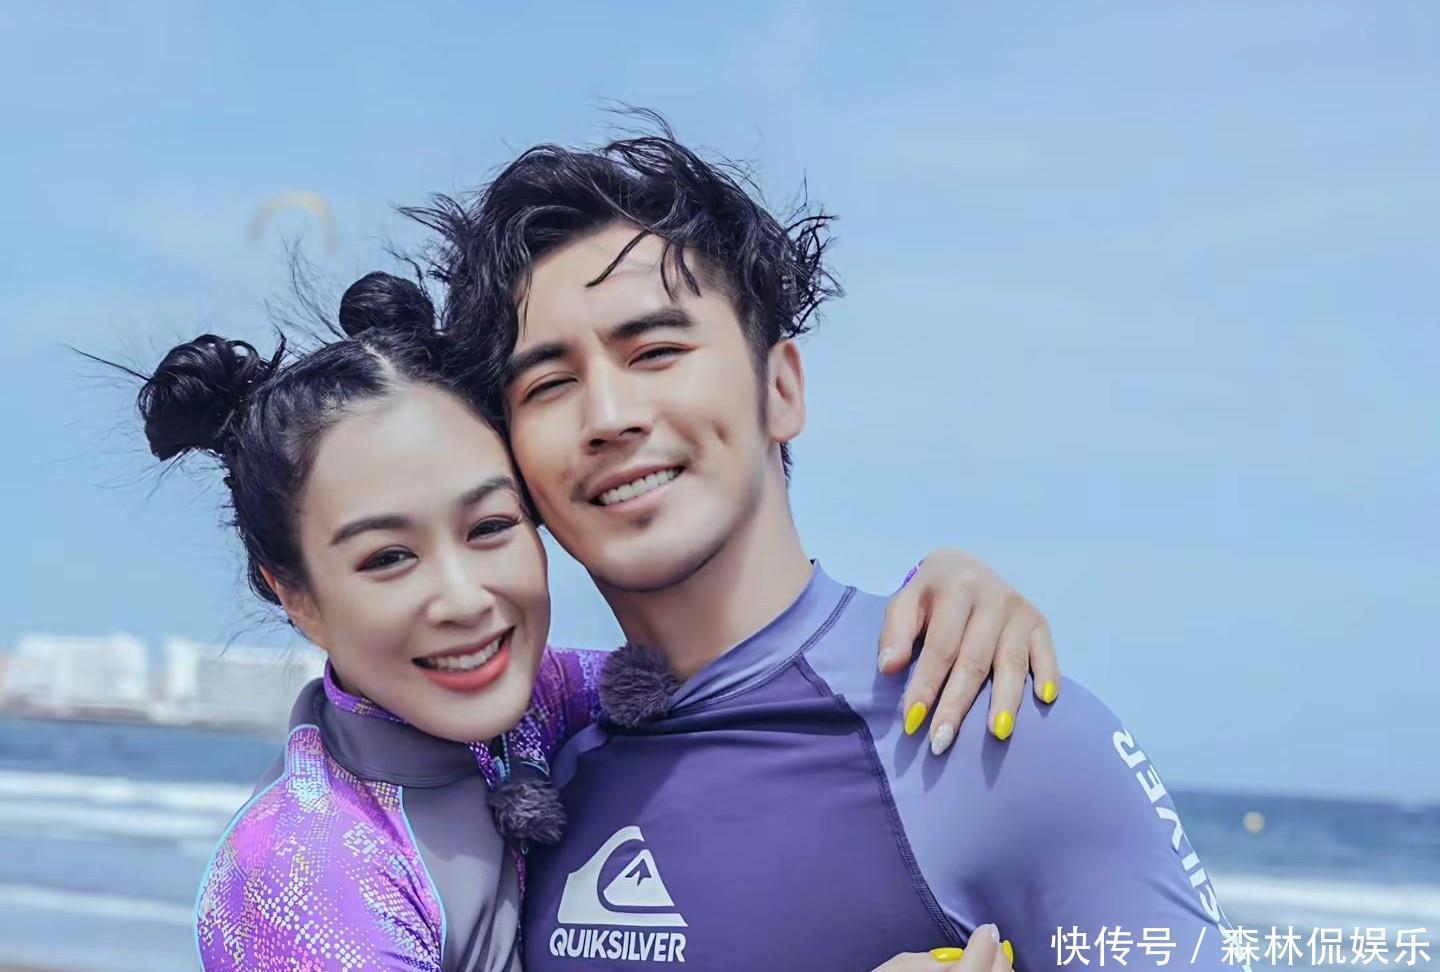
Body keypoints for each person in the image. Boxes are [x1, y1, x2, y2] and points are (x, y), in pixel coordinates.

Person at [416, 122, 1242, 970]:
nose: (609, 417)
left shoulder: (994, 731)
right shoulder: (537, 776)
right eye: (550, 384)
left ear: (781, 388)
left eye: (656, 351)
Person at [154, 272, 1057, 970]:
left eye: (491, 528)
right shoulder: (297, 872)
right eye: (388, 558)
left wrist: (937, 597)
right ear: (294, 594)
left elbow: (717, 660)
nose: (463, 598)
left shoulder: (539, 702)